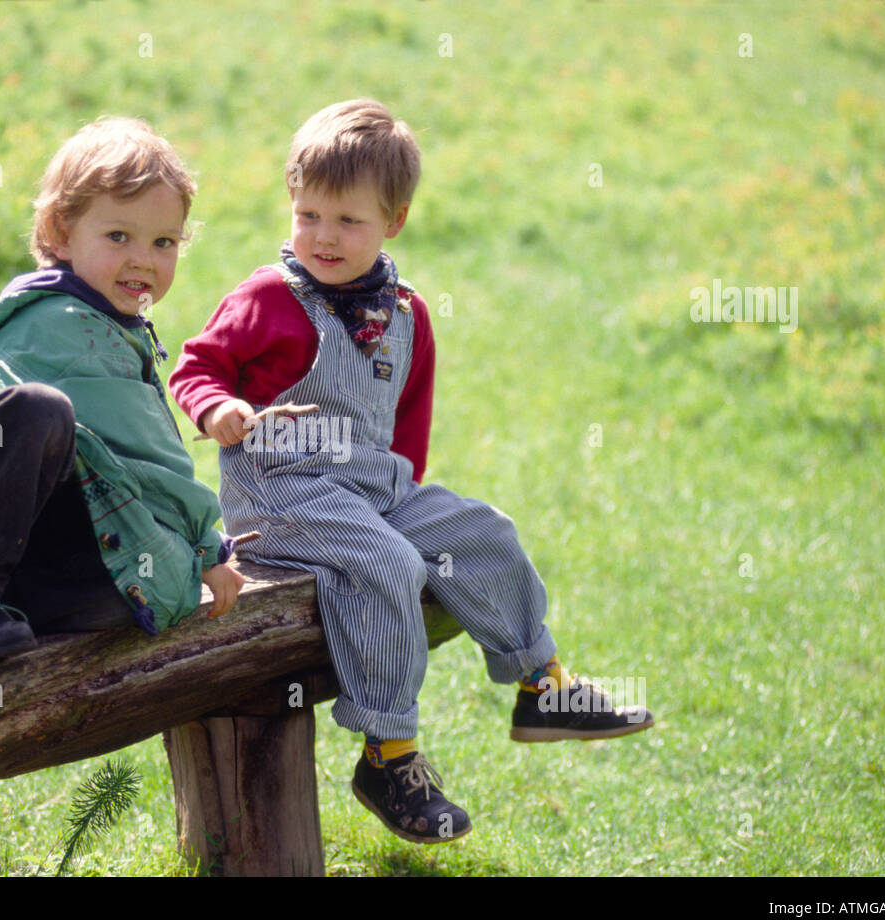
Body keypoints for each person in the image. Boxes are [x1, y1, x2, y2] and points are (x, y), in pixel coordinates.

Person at [169, 99, 652, 845]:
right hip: (284, 493)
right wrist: (216, 408)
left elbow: (408, 421)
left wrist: (415, 505)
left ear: (394, 220)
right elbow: (198, 365)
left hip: (373, 487)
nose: (324, 236)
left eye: (348, 221)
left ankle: (541, 683)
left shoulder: (404, 313)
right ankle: (388, 754)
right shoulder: (269, 297)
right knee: (386, 563)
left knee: (483, 531)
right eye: (308, 215)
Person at [0, 117, 246, 667]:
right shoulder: (74, 326)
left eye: (163, 241)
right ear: (59, 232)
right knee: (39, 413)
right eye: (119, 236)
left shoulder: (43, 309)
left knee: (117, 598)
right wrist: (206, 547)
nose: (143, 258)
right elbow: (146, 455)